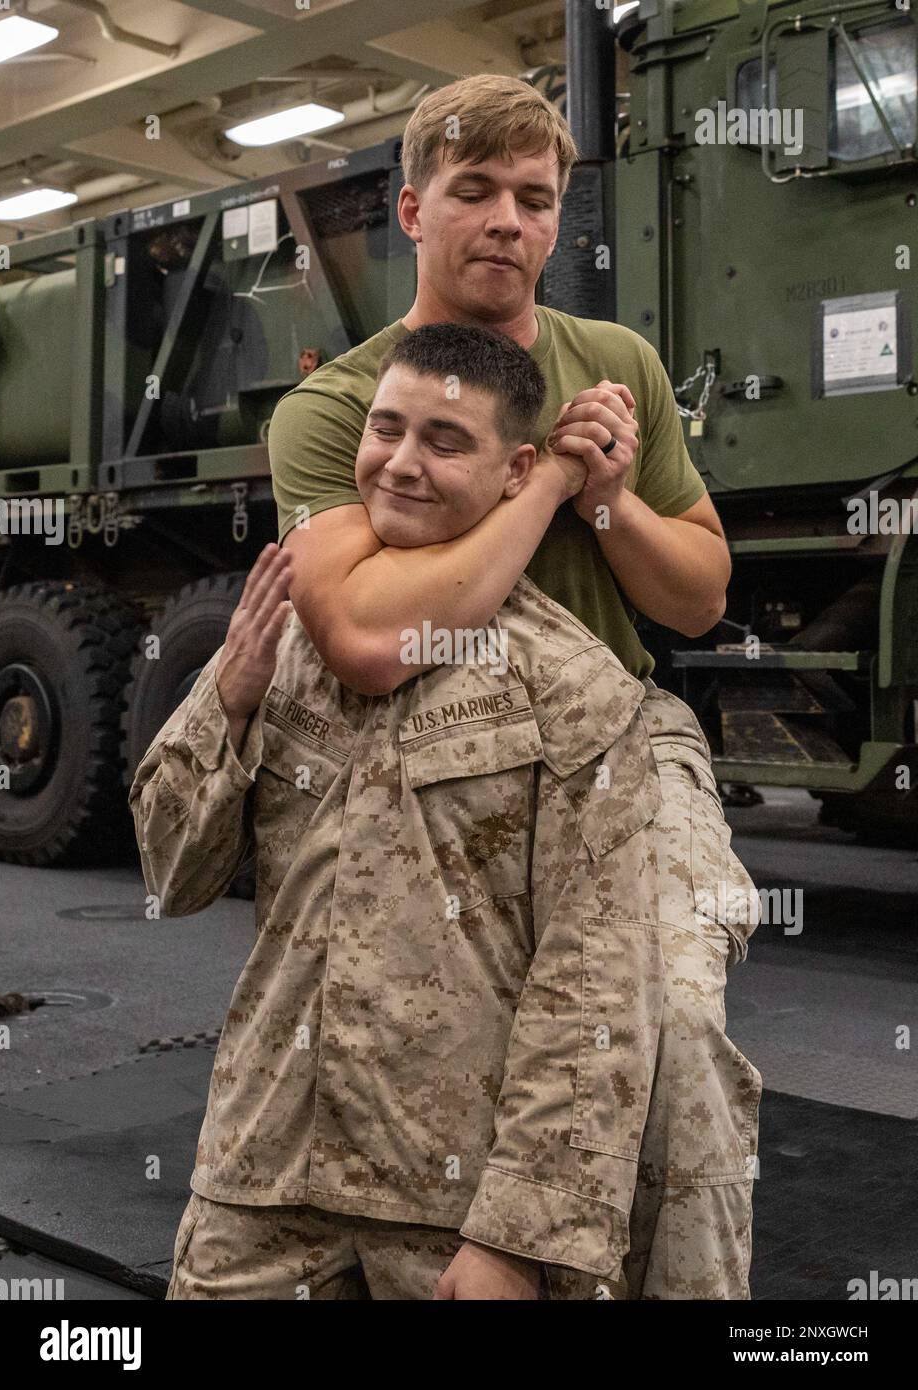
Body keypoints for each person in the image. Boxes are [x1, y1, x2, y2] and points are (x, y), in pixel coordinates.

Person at [267, 74, 761, 1299]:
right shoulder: (341, 406)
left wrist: (607, 496)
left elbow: (697, 597)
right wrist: (541, 489)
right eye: (472, 191)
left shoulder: (618, 365)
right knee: (422, 1056)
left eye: (533, 199)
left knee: (677, 1028)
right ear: (411, 209)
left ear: (556, 224)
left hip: (624, 743)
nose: (505, 221)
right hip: (421, 765)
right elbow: (366, 638)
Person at [131, 324, 668, 1301]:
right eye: (386, 429)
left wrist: (517, 1232)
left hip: (447, 1212)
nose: (402, 464)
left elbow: (597, 984)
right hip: (260, 1185)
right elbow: (171, 872)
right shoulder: (288, 633)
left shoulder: (574, 688)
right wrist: (229, 703)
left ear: (515, 471)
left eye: (443, 441)